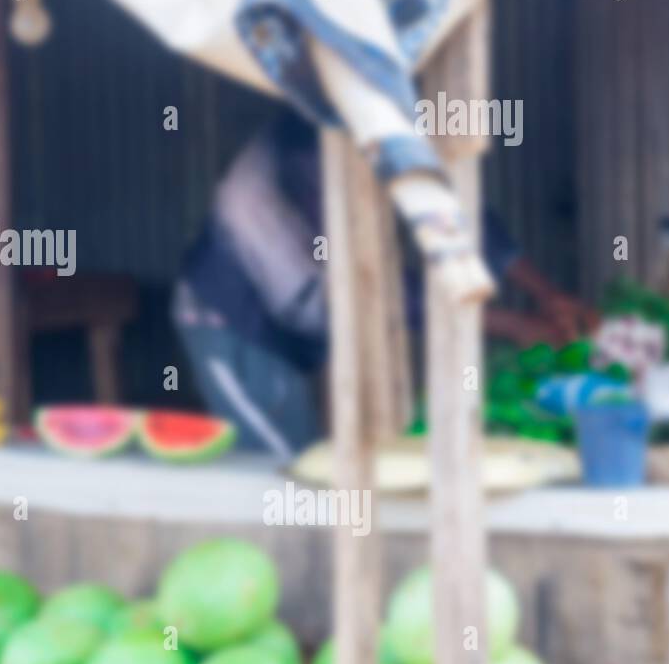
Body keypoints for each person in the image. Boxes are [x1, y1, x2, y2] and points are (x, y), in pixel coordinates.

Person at [171, 105, 594, 461]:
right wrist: (514, 325)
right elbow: (372, 284)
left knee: (300, 456)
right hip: (230, 320)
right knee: (282, 467)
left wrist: (547, 293)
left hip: (287, 316)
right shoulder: (311, 146)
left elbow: (456, 213)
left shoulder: (387, 127)